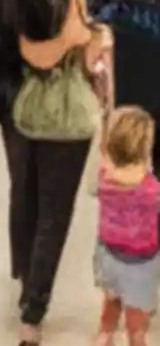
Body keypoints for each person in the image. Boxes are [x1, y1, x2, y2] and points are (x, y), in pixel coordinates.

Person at [0, 0, 111, 345]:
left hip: (12, 103)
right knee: (54, 208)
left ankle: (24, 278)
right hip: (54, 110)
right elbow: (47, 52)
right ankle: (33, 313)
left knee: (26, 194)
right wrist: (90, 38)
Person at [93, 106, 159, 346]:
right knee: (137, 323)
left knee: (111, 300)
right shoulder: (151, 191)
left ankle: (104, 336)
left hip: (109, 254)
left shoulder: (104, 179)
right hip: (140, 264)